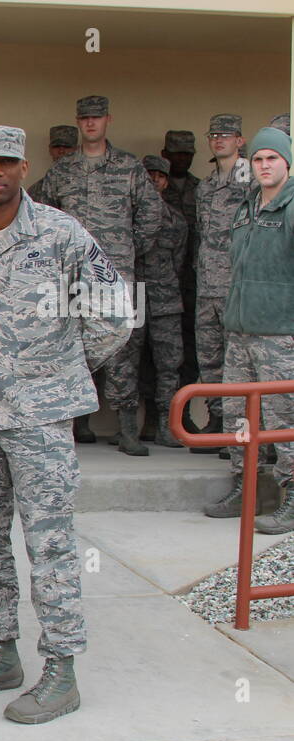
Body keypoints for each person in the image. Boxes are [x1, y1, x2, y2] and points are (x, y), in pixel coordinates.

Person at [0, 126, 129, 724]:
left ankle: (61, 668)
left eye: (7, 163)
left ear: (24, 168)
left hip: (40, 419)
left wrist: (58, 369)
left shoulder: (61, 233)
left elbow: (115, 313)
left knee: (50, 544)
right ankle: (0, 652)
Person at [32, 95, 160, 452]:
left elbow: (152, 214)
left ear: (108, 120)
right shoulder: (62, 170)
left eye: (97, 118)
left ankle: (127, 427)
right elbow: (44, 218)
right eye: (85, 118)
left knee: (124, 348)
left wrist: (127, 249)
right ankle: (77, 425)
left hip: (118, 277)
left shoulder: (129, 167)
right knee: (71, 346)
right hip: (69, 279)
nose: (91, 124)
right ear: (78, 121)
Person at [207, 127, 294, 531]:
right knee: (238, 417)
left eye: (272, 158)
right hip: (240, 333)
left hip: (280, 334)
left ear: (287, 163)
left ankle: (291, 496)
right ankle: (248, 489)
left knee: (282, 420)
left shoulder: (291, 206)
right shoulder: (247, 207)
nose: (264, 165)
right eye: (258, 159)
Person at [192, 113, 250, 449]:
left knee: (237, 362)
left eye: (226, 135)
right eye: (214, 134)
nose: (219, 140)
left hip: (235, 286)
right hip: (207, 288)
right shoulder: (206, 185)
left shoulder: (252, 181)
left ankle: (237, 433)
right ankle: (216, 422)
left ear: (240, 140)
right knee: (209, 359)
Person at [121, 156, 187, 449]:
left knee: (168, 364)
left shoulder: (177, 220)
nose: (155, 180)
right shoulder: (125, 218)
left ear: (166, 181)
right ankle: (127, 429)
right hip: (132, 298)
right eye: (149, 175)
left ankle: (165, 425)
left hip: (165, 301)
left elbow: (179, 261)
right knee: (127, 365)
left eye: (160, 176)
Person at [160, 129, 202, 428]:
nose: (181, 159)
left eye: (187, 154)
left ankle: (184, 413)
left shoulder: (202, 190)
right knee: (159, 355)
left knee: (189, 352)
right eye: (176, 153)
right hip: (162, 284)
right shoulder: (153, 189)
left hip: (195, 281)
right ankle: (157, 418)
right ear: (166, 155)